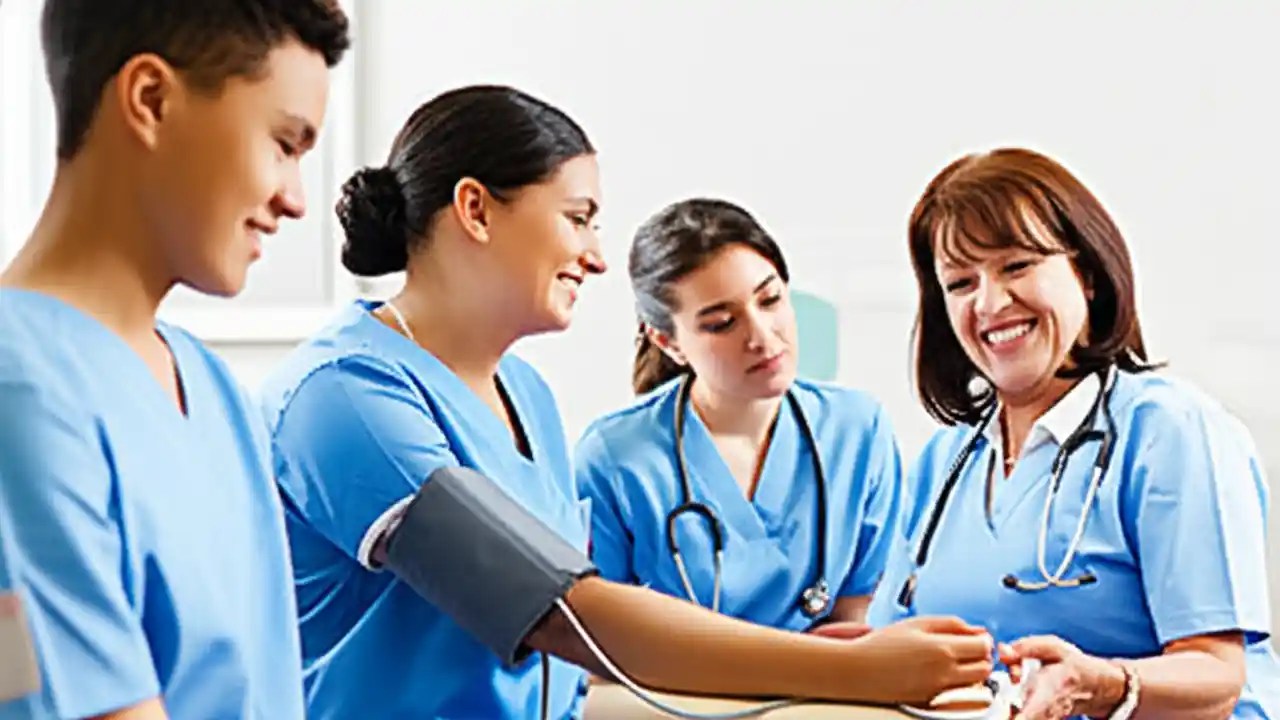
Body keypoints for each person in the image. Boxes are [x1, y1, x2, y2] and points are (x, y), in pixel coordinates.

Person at [258, 84, 997, 720]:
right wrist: (858, 671)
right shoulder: (345, 397)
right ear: (476, 210)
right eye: (577, 217)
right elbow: (561, 612)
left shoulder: (526, 394)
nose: (597, 256)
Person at [0, 1, 350, 718]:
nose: (295, 200)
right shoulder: (19, 392)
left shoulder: (213, 388)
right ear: (151, 99)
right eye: (283, 144)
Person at [866, 147, 1279, 719]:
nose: (990, 302)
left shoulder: (1170, 433)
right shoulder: (946, 460)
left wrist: (1101, 685)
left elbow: (1216, 676)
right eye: (960, 283)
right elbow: (890, 648)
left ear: (1086, 274)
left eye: (1016, 266)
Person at [574, 198, 902, 633]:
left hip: (839, 679)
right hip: (670, 682)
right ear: (669, 342)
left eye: (770, 300)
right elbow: (602, 640)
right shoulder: (615, 458)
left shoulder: (857, 430)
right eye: (722, 323)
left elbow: (863, 616)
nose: (762, 338)